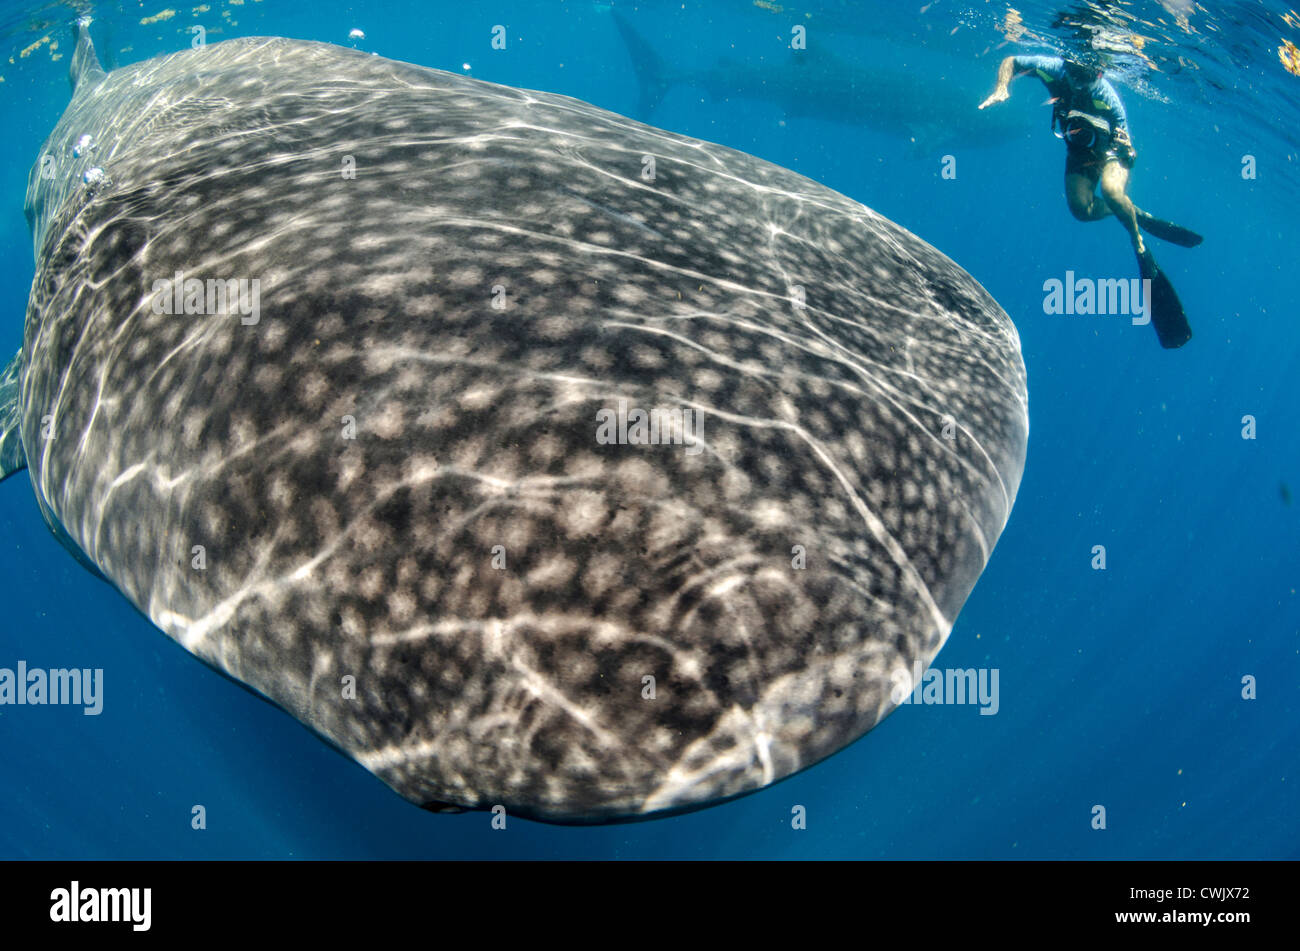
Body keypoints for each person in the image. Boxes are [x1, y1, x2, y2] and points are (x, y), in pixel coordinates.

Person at [980, 55, 1200, 347]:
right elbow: (1010, 60)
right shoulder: (1052, 70)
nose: (1079, 83)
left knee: (1111, 190)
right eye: (1074, 75)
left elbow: (1129, 157)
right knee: (1080, 210)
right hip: (1081, 152)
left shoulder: (1109, 98)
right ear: (1067, 66)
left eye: (1086, 78)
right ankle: (1130, 211)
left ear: (1098, 74)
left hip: (1110, 155)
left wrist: (1127, 151)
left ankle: (1138, 242)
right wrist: (1002, 87)